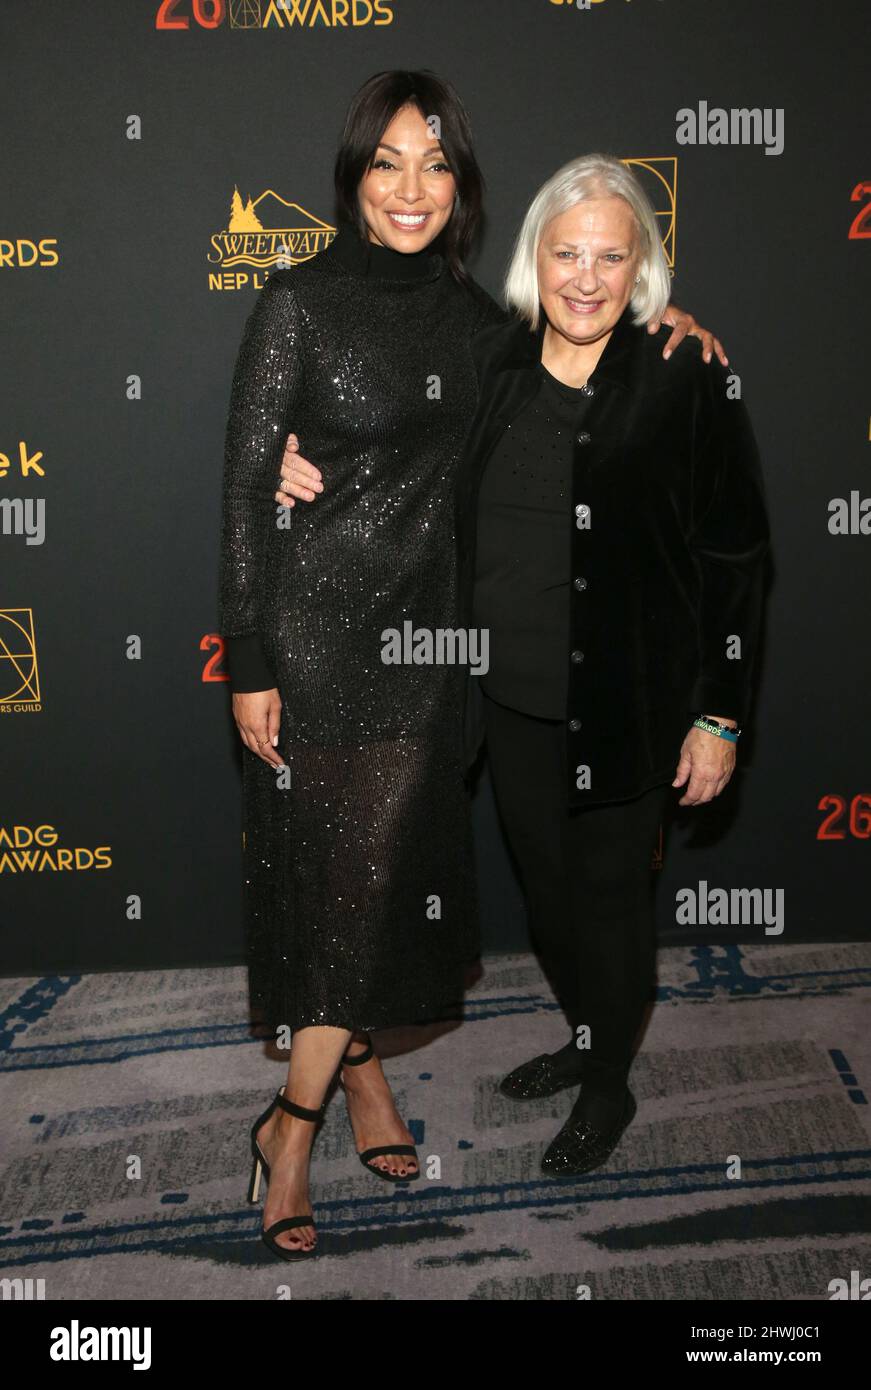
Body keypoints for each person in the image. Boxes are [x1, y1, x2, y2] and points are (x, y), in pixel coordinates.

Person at [227, 74, 722, 1261]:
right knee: (328, 883)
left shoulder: (484, 326)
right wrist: (247, 655)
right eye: (387, 162)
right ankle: (304, 1117)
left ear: (463, 187)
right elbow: (248, 490)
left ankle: (328, 1095)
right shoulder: (294, 302)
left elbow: (589, 332)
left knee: (373, 883)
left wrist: (680, 329)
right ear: (353, 176)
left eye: (434, 165)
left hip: (434, 649)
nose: (410, 188)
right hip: (312, 634)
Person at [452, 153, 770, 1176]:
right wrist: (290, 457)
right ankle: (590, 1036)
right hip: (510, 698)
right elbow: (403, 458)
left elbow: (735, 555)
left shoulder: (686, 373)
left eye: (608, 256)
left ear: (640, 271)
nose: (584, 277)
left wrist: (718, 717)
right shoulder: (493, 371)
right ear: (533, 260)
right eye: (565, 253)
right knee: (547, 900)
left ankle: (607, 1088)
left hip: (628, 703)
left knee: (610, 904)